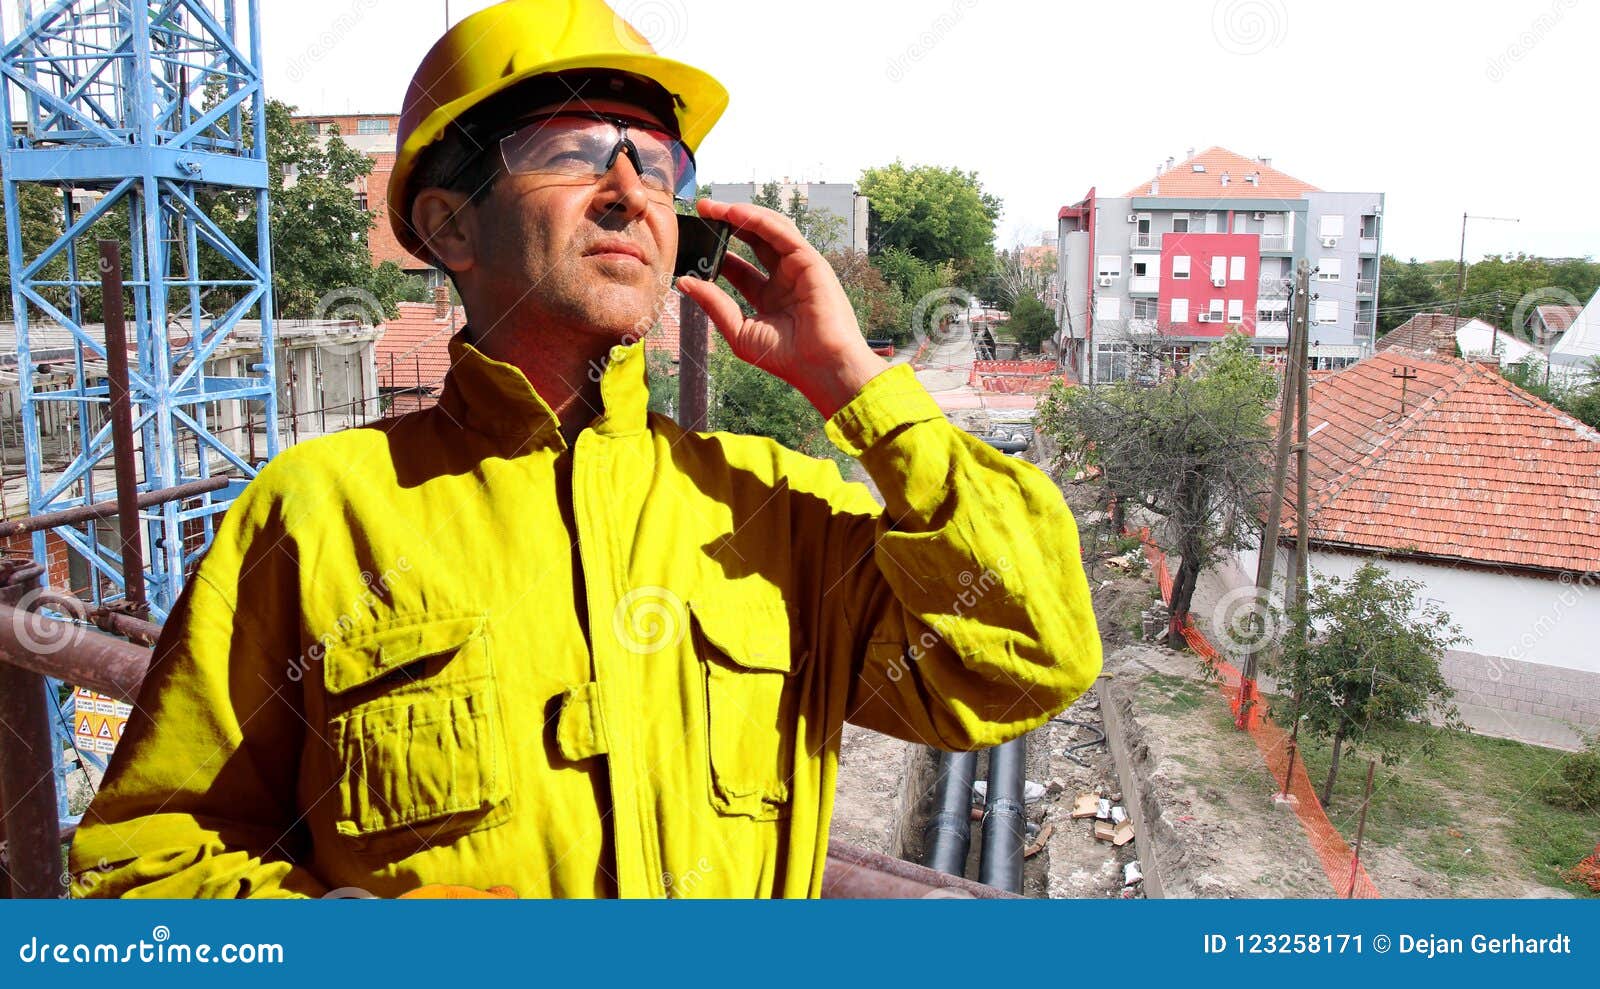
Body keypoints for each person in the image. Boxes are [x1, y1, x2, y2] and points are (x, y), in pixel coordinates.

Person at [68, 0, 1100, 899]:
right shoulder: (319, 514)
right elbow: (142, 863)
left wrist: (855, 385)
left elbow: (1026, 654)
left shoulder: (771, 513)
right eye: (572, 150)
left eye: (657, 163)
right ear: (449, 223)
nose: (630, 189)